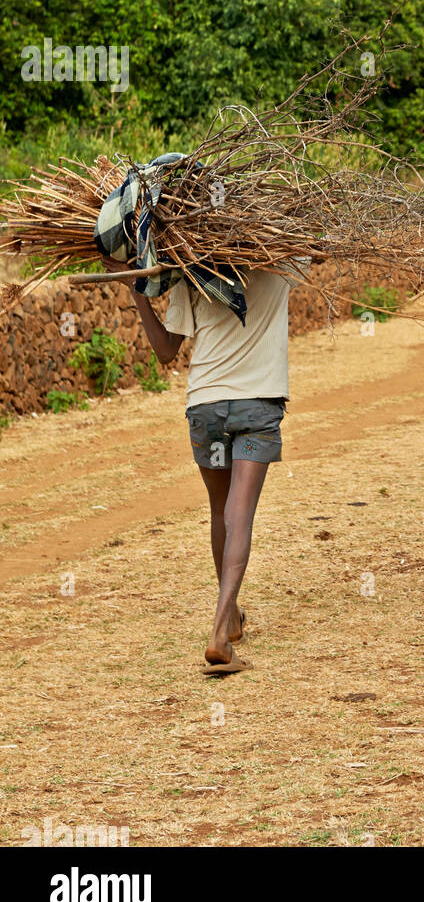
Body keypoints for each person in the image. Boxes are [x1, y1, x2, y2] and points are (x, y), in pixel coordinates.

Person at [101, 254, 308, 674]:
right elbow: (317, 248)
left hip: (207, 408)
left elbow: (165, 352)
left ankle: (230, 618)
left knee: (220, 510)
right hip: (257, 406)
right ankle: (219, 630)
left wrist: (136, 287)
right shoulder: (281, 259)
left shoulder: (190, 271)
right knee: (240, 513)